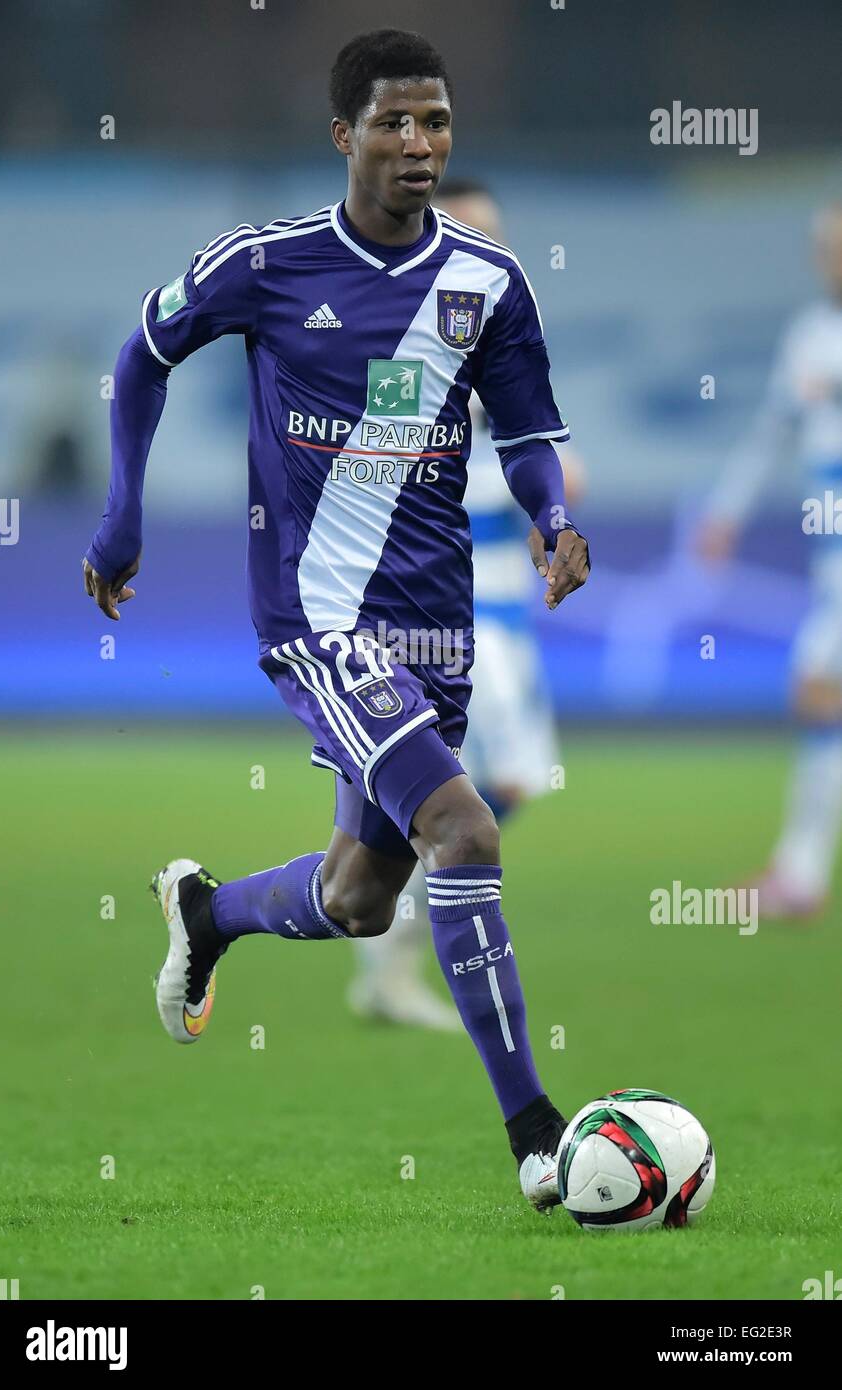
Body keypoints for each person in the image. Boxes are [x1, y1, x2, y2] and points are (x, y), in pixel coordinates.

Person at [82, 29, 590, 1211]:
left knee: (362, 898)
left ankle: (207, 912)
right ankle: (534, 1133)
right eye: (395, 124)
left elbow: (526, 440)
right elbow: (141, 355)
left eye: (437, 124)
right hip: (317, 617)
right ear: (343, 136)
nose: (419, 145)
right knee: (463, 831)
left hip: (434, 624)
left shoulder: (486, 285)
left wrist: (552, 519)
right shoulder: (266, 263)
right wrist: (120, 518)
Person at [348, 178, 585, 1030]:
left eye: (497, 235)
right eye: (471, 233)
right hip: (454, 607)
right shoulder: (414, 357)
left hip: (510, 609)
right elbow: (387, 475)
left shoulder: (512, 342)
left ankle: (387, 945)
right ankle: (387, 946)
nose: (489, 253)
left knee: (492, 784)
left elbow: (564, 464)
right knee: (486, 784)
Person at [696, 203, 842, 918]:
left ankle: (801, 873)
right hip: (832, 552)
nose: (831, 257)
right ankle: (801, 871)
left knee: (819, 687)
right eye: (825, 246)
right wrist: (725, 510)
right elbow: (771, 432)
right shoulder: (811, 334)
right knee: (822, 694)